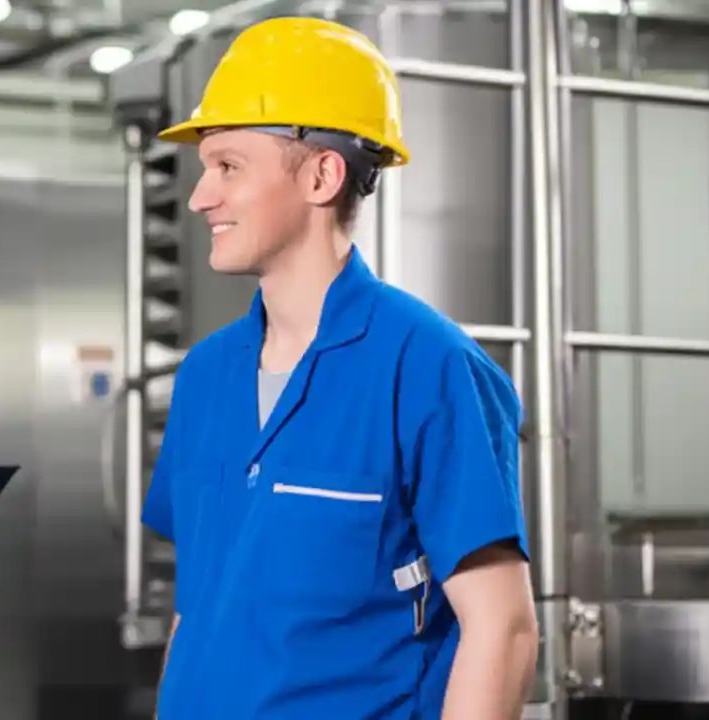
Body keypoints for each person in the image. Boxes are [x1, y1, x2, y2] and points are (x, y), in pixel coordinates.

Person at [141, 16, 539, 719]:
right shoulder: (204, 377)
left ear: (323, 175)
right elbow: (199, 611)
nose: (200, 196)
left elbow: (502, 629)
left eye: (228, 166)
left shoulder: (429, 367)